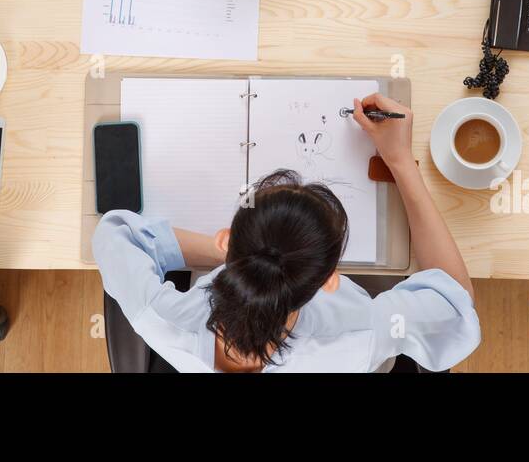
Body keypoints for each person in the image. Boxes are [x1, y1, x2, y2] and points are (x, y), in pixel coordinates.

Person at [93, 94, 479, 372]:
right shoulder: (361, 331)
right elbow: (455, 299)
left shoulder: (163, 319)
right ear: (330, 281)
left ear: (226, 240)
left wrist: (239, 259)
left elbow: (114, 235)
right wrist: (398, 161)